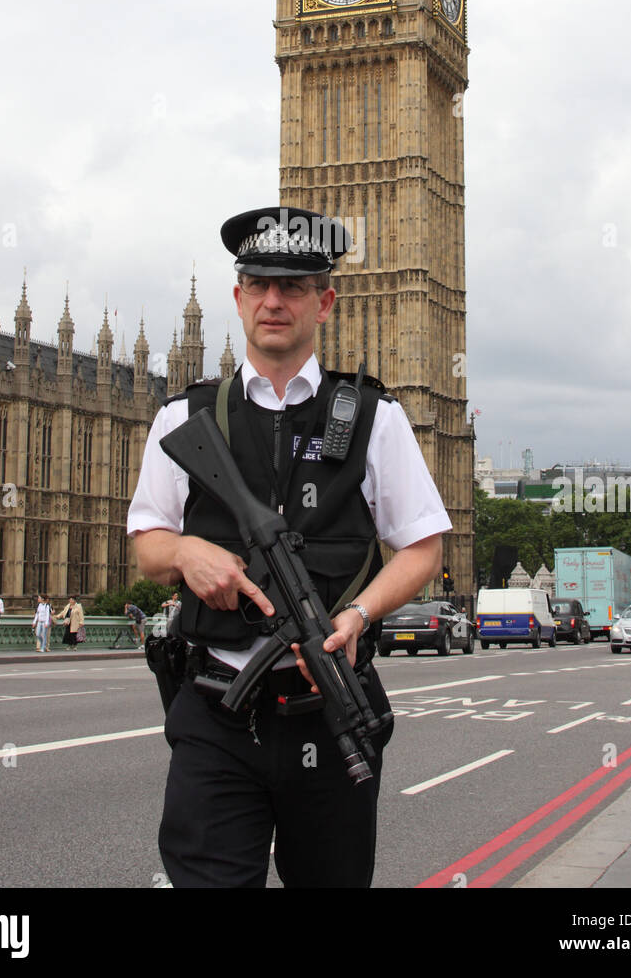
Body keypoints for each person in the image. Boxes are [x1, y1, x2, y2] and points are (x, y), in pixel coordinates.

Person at [128, 206, 448, 889]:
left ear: (324, 302)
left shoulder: (373, 418)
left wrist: (356, 616)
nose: (274, 300)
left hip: (328, 719)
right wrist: (187, 553)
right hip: (216, 712)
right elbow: (148, 542)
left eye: (293, 287)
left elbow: (423, 547)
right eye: (259, 283)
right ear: (239, 296)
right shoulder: (183, 417)